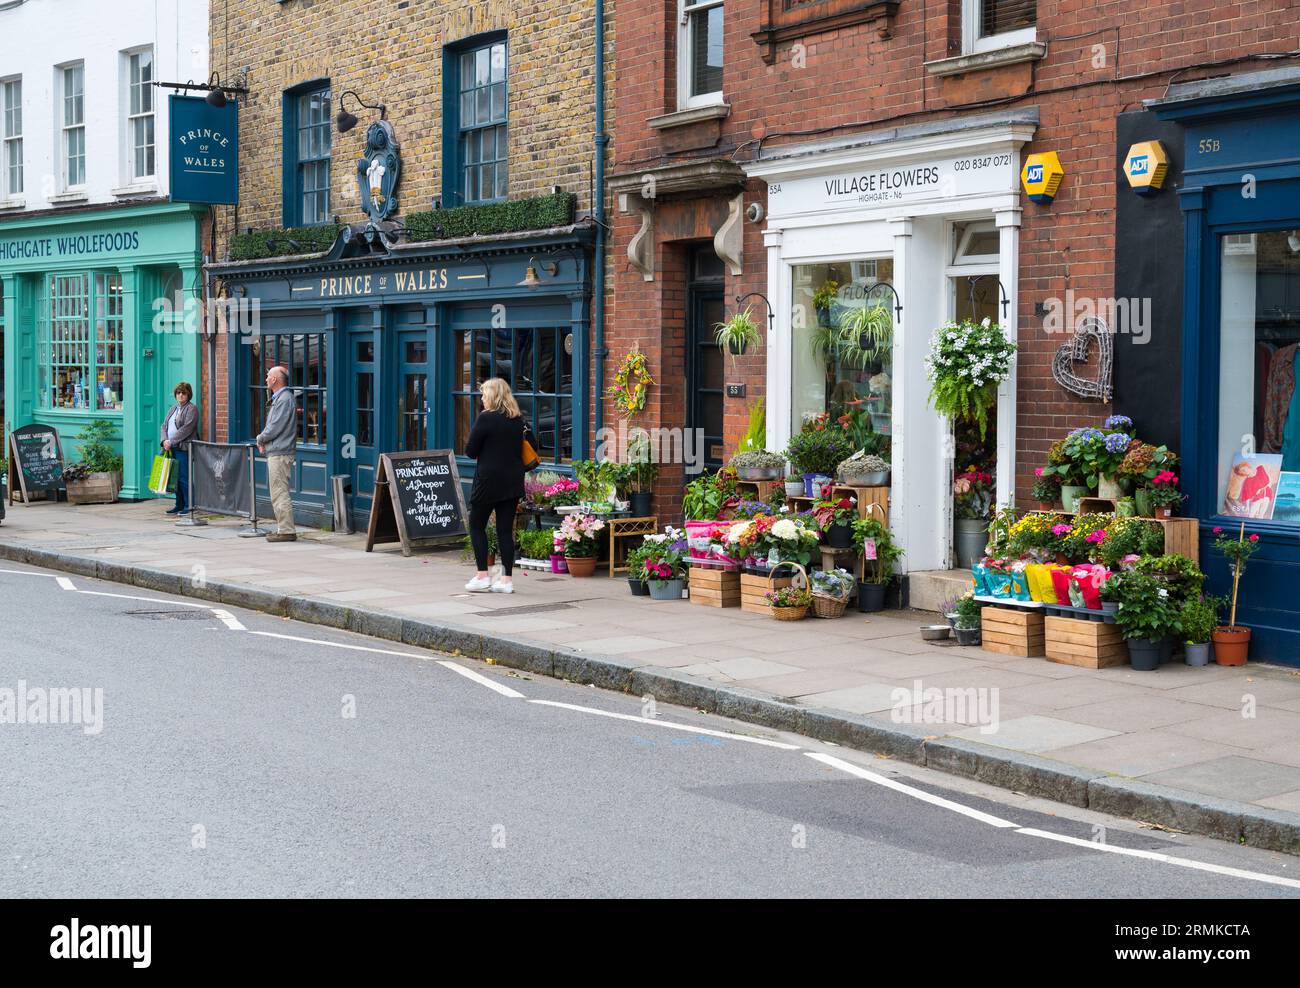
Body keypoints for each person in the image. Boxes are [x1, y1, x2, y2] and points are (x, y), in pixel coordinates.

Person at [463, 378, 535, 593]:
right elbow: (534, 444)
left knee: (476, 525)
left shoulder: (486, 419)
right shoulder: (518, 420)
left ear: (493, 396)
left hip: (487, 482)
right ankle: (506, 581)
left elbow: (470, 451)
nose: (482, 398)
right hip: (512, 481)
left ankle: (482, 575)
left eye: (485, 394)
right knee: (505, 531)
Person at [256, 365, 298, 542]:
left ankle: (287, 530)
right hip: (278, 450)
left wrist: (260, 438)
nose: (266, 379)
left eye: (268, 376)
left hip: (280, 452)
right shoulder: (281, 398)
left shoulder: (284, 399)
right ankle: (283, 528)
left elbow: (275, 426)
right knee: (278, 490)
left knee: (279, 491)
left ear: (274, 380)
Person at [160, 382, 199, 515]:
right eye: (178, 393)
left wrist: (171, 441)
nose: (181, 395)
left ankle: (190, 506)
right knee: (175, 478)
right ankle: (179, 504)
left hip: (183, 448)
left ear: (189, 395)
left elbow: (187, 429)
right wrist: (164, 440)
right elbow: (164, 425)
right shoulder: (173, 408)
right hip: (170, 448)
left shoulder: (192, 409)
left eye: (183, 393)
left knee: (184, 477)